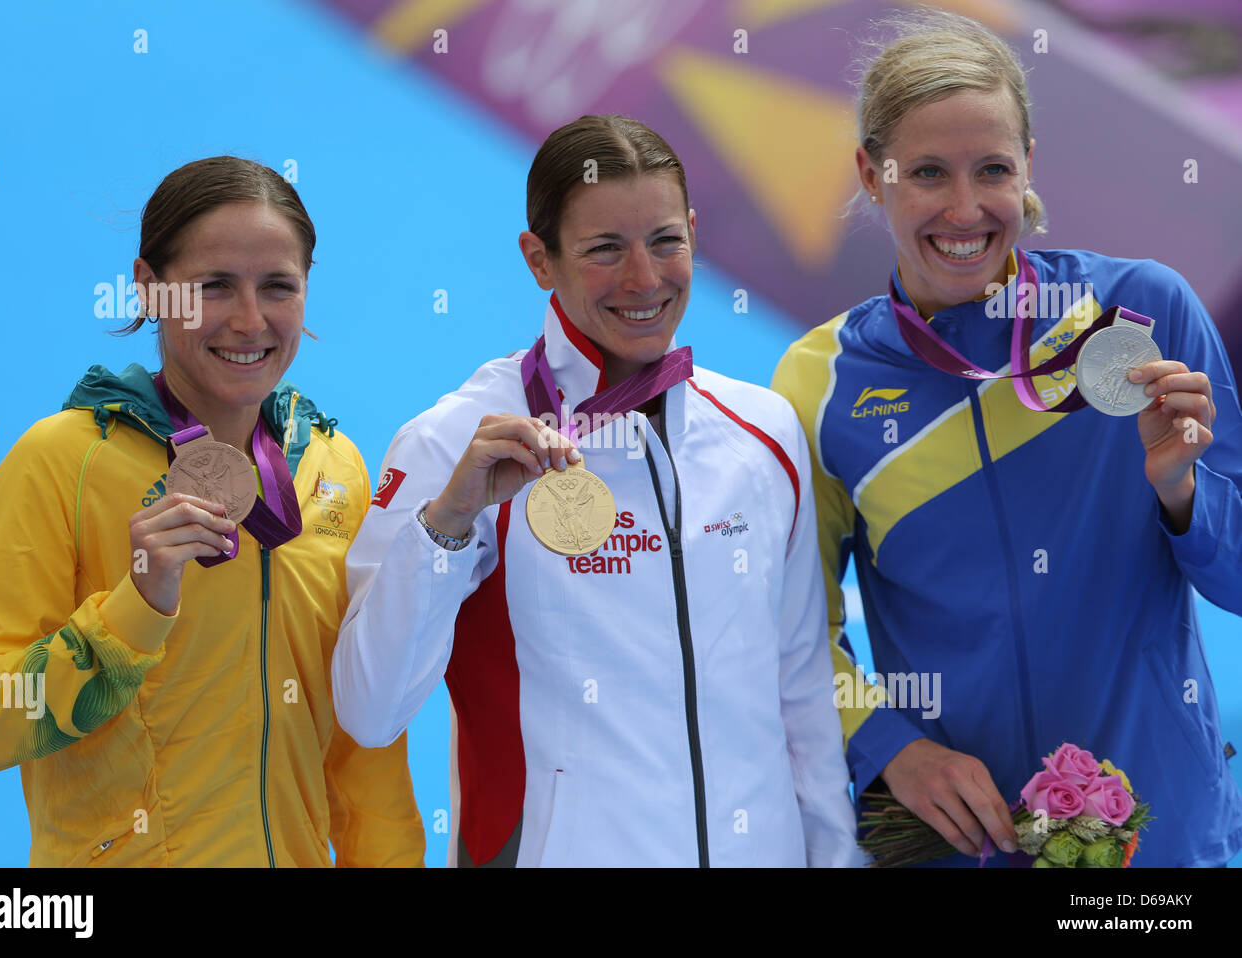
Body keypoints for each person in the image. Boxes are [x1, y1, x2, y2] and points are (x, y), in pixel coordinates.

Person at [773, 10, 1242, 867]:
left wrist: (1183, 493)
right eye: (926, 173)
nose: (964, 209)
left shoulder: (1141, 315)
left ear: (1028, 163)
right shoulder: (819, 381)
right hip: (957, 842)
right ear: (871, 176)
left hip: (1157, 835)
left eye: (992, 168)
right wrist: (885, 745)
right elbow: (790, 622)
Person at [332, 114, 862, 867]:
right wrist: (445, 523)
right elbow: (369, 709)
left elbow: (802, 690)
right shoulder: (456, 444)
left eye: (666, 241)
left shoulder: (761, 431)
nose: (644, 279)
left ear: (694, 234)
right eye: (604, 250)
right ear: (538, 259)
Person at [0, 156, 425, 867]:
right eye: (214, 287)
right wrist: (130, 611)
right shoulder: (61, 463)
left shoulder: (335, 469)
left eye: (278, 287)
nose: (249, 320)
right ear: (149, 288)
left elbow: (363, 747)